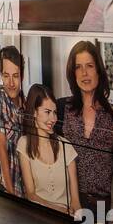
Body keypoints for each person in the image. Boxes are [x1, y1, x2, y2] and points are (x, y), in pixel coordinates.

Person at [59, 40, 113, 212]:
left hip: (105, 206)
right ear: (73, 73)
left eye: (89, 66)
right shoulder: (62, 109)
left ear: (98, 70)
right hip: (69, 201)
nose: (84, 73)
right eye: (78, 67)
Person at [16, 84, 81, 213]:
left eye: (55, 112)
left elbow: (76, 201)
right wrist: (57, 210)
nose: (53, 119)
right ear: (34, 112)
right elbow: (31, 194)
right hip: (40, 216)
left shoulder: (66, 146)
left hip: (66, 219)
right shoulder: (24, 144)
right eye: (47, 112)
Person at [0, 45, 25, 196]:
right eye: (6, 75)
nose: (11, 83)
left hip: (26, 186)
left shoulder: (25, 100)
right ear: (1, 75)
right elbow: (0, 143)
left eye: (15, 76)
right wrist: (10, 191)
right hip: (8, 185)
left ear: (22, 76)